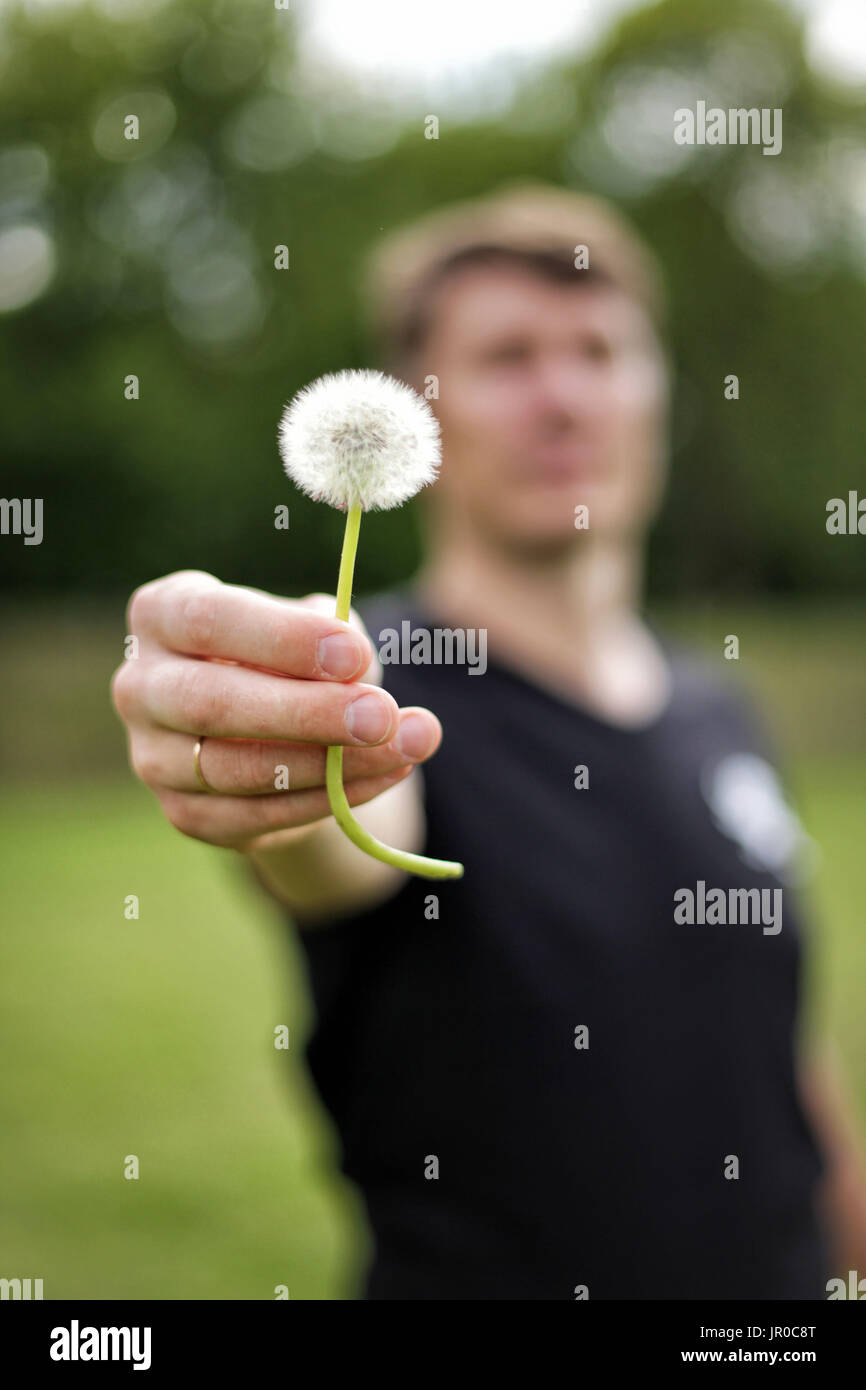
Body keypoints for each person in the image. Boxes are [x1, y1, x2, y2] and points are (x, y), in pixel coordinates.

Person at [110, 182, 866, 1300]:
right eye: (507, 357)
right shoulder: (375, 681)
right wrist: (274, 757)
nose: (562, 397)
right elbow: (333, 827)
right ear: (420, 410)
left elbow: (768, 1046)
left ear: (656, 392)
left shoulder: (716, 708)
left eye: (600, 351)